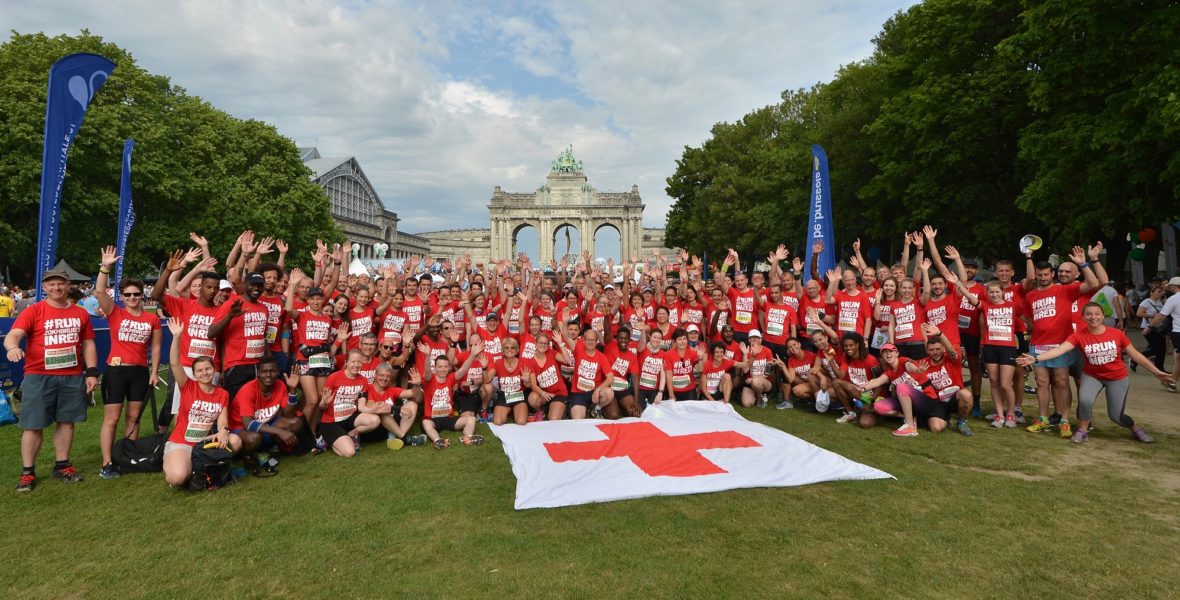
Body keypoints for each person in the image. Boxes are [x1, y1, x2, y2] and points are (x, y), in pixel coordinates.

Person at [1018, 303, 1172, 444]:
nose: (1093, 317)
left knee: (1116, 416)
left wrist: (1156, 372)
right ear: (1083, 317)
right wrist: (1036, 358)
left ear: (1103, 316)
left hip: (1117, 378)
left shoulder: (1116, 334)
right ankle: (1082, 430)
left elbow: (1136, 355)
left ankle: (1134, 427)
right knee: (1084, 400)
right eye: (1089, 314)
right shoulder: (1078, 335)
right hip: (1093, 376)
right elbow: (1059, 350)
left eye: (1097, 314)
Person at [5, 270, 99, 492]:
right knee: (33, 424)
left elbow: (88, 344)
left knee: (67, 421)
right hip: (38, 375)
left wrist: (93, 372)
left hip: (72, 375)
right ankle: (28, 472)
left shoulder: (80, 313)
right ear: (44, 288)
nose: (56, 288)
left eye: (61, 284)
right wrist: (12, 347)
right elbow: (14, 334)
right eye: (51, 284)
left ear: (68, 286)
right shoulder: (34, 310)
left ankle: (62, 465)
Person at [94, 246, 162, 479]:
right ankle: (107, 462)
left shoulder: (151, 319)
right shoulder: (115, 312)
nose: (132, 298)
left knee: (133, 418)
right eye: (128, 295)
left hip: (140, 373)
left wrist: (154, 372)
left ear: (142, 295)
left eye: (136, 294)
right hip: (116, 371)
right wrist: (105, 267)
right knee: (112, 418)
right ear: (122, 297)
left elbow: (155, 347)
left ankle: (127, 457)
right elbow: (100, 291)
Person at [1022, 247, 1099, 437]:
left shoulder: (1064, 290)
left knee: (1062, 382)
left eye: (1046, 274)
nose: (1043, 277)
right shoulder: (1031, 295)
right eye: (1040, 275)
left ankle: (1064, 421)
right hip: (1038, 344)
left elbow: (1094, 282)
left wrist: (1083, 263)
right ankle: (1043, 418)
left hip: (1060, 345)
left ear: (1052, 274)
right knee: (1041, 383)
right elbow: (1028, 318)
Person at [163, 317, 241, 488]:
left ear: (214, 370)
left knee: (235, 441)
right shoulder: (187, 386)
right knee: (177, 478)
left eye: (208, 369)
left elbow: (222, 420)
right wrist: (176, 337)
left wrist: (223, 431)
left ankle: (202, 467)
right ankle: (189, 466)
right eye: (199, 370)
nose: (204, 373)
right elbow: (175, 363)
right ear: (194, 373)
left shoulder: (222, 394)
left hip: (204, 442)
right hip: (181, 442)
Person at [952, 274, 1018, 428]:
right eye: (991, 292)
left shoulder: (1012, 305)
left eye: (997, 292)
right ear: (987, 294)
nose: (994, 295)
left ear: (1003, 292)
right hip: (989, 347)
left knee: (1005, 384)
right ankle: (999, 415)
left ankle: (1011, 414)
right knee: (994, 382)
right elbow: (970, 298)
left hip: (1007, 348)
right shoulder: (986, 306)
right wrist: (959, 284)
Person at [230, 356, 304, 474]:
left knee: (295, 423)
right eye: (264, 371)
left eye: (272, 371)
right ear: (258, 373)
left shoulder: (280, 384)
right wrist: (280, 432)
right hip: (240, 429)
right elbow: (247, 424)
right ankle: (248, 455)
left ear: (278, 372)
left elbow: (288, 413)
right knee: (254, 438)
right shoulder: (248, 390)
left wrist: (293, 390)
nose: (268, 375)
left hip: (264, 424)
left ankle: (275, 449)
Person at [318, 349, 381, 457]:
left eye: (359, 362)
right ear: (346, 362)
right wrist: (324, 402)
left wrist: (373, 410)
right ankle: (328, 440)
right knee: (350, 452)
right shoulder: (334, 377)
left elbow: (361, 407)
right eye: (353, 362)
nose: (356, 365)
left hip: (350, 417)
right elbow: (321, 408)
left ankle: (351, 434)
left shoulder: (363, 380)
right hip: (331, 421)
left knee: (375, 420)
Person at [422, 342, 485, 448]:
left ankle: (468, 437)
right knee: (426, 424)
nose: (443, 369)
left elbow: (463, 369)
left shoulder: (450, 378)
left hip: (448, 417)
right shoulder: (429, 379)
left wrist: (472, 355)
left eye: (445, 367)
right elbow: (427, 372)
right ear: (435, 367)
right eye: (440, 367)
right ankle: (438, 441)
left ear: (449, 367)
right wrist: (428, 356)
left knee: (471, 419)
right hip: (432, 418)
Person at [358, 363, 426, 448]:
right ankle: (405, 438)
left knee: (412, 405)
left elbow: (417, 396)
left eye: (387, 376)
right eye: (382, 375)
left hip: (391, 426)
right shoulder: (368, 389)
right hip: (376, 428)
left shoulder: (391, 390)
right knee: (381, 411)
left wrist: (418, 385)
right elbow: (373, 407)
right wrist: (398, 409)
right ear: (375, 375)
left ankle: (398, 438)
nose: (384, 378)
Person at [1151, 277, 1180, 392]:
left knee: (1178, 358)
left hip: (1178, 331)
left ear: (1173, 286)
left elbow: (1161, 316)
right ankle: (1172, 381)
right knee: (1178, 357)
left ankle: (1172, 381)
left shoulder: (1173, 299)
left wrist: (1150, 325)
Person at [1137, 284, 1168, 372]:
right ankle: (1135, 359)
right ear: (1151, 292)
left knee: (1162, 349)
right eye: (1158, 292)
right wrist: (1153, 315)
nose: (1160, 293)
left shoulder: (1160, 302)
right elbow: (1139, 314)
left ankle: (1160, 368)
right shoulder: (1146, 302)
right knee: (1155, 349)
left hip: (1159, 328)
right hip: (1147, 328)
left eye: (1161, 292)